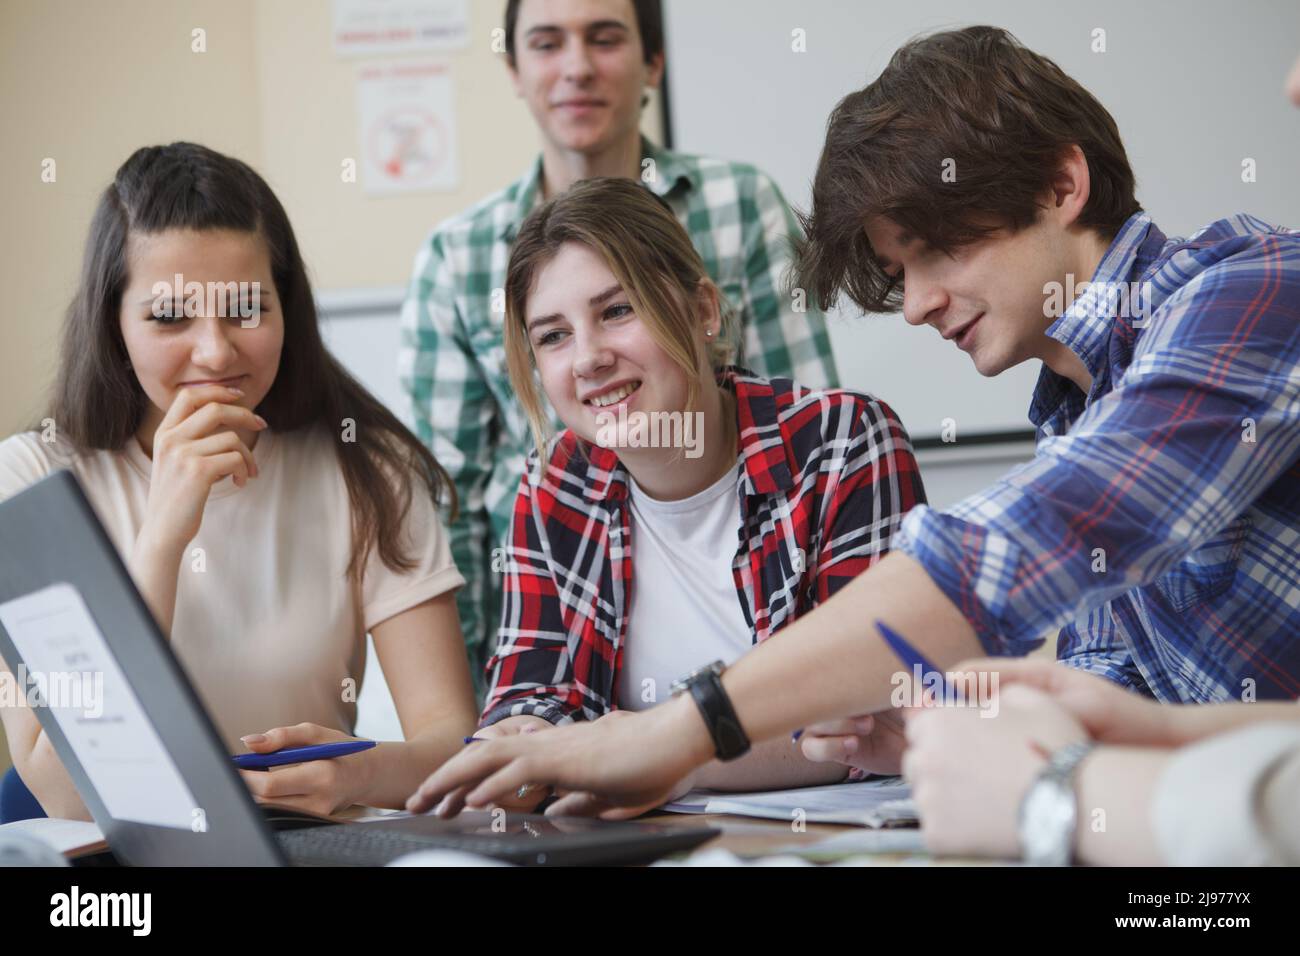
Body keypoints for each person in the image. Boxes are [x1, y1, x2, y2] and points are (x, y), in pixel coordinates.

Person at [403, 26, 1298, 823]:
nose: (913, 306)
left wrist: (675, 733)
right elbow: (1133, 729)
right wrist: (929, 743)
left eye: (939, 249)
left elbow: (1015, 548)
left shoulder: (1247, 291)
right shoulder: (1077, 412)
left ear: (1064, 183)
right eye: (896, 270)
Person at [0, 143, 478, 822]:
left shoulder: (365, 467)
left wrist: (359, 772)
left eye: (246, 308)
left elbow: (452, 744)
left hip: (303, 845)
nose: (217, 351)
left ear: (287, 307)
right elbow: (66, 795)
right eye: (170, 317)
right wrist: (162, 538)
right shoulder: (27, 479)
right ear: (114, 323)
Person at [399, 0, 840, 698]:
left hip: (754, 623)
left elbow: (807, 437)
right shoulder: (457, 258)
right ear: (515, 69)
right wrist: (474, 712)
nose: (576, 67)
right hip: (563, 632)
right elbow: (448, 505)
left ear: (653, 64)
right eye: (547, 44)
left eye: (604, 39)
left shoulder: (742, 202)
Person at [471, 177, 923, 806]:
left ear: (704, 311)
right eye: (553, 335)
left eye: (618, 310)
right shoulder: (552, 486)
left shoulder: (842, 440)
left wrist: (668, 752)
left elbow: (870, 706)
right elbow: (530, 697)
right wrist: (524, 742)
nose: (588, 358)